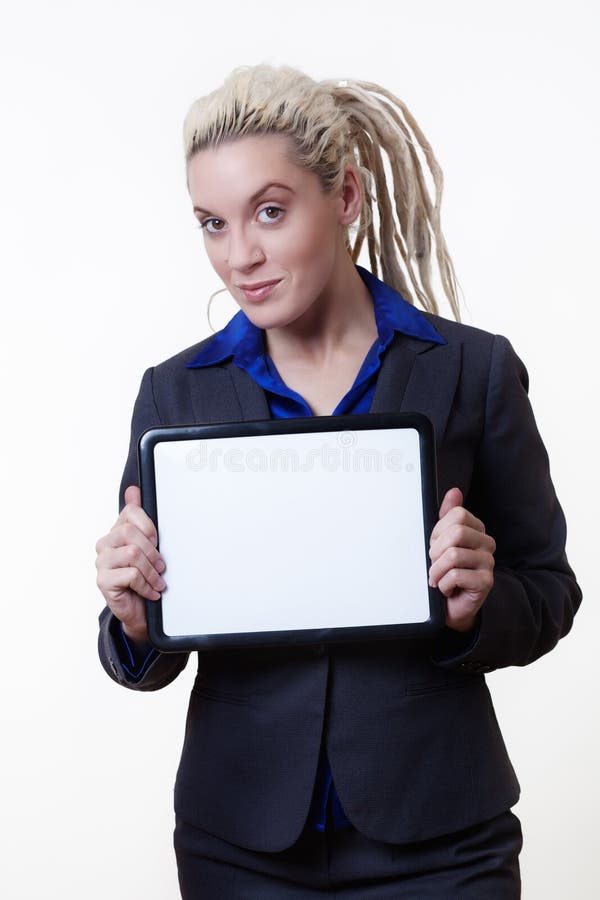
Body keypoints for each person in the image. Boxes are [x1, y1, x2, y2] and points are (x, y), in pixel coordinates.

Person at [95, 64, 582, 898]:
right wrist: (134, 619)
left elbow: (550, 591)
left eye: (270, 212)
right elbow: (147, 644)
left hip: (442, 838)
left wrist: (475, 606)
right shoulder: (177, 394)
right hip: (240, 841)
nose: (239, 255)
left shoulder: (472, 369)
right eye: (213, 223)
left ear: (347, 197)